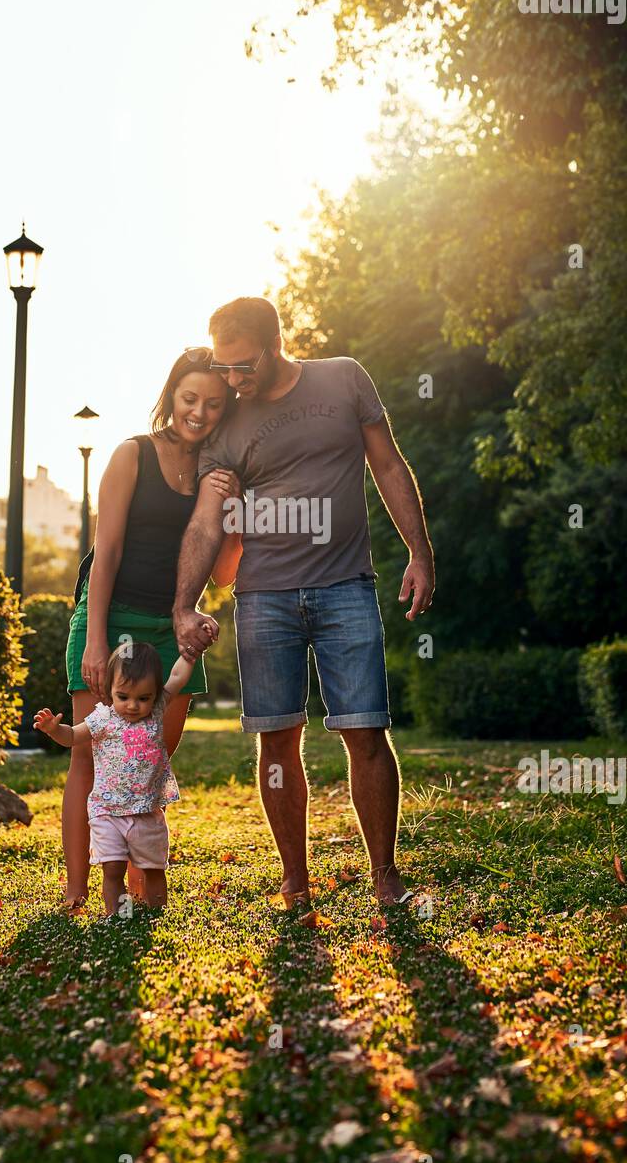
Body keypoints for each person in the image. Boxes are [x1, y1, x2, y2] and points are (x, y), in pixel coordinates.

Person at [172, 297, 435, 908]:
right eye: (222, 365)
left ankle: (385, 874)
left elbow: (390, 466)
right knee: (276, 738)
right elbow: (207, 524)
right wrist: (186, 604)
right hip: (263, 598)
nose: (231, 380)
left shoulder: (344, 378)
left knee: (365, 730)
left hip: (347, 586)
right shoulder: (226, 424)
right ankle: (295, 876)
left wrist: (420, 554)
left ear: (274, 344)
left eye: (241, 366)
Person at [61, 351, 242, 910]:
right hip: (110, 618)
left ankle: (141, 887)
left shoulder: (218, 474)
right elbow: (107, 551)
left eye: (213, 404)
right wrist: (95, 639)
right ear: (172, 396)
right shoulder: (131, 454)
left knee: (149, 757)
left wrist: (234, 509)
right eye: (190, 398)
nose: (199, 412)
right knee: (89, 756)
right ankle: (77, 889)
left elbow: (225, 572)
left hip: (171, 629)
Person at [34, 642, 199, 914]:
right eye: (123, 697)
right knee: (112, 869)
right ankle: (117, 915)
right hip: (107, 811)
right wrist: (54, 729)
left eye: (143, 698)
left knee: (154, 870)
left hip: (147, 810)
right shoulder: (102, 719)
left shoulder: (157, 709)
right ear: (110, 690)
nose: (133, 705)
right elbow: (73, 736)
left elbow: (178, 678)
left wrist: (189, 655)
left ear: (154, 695)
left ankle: (158, 913)